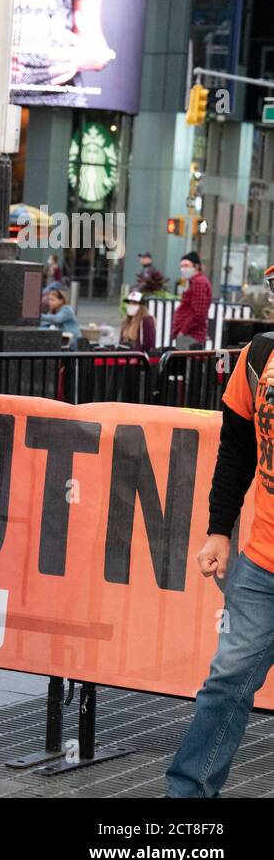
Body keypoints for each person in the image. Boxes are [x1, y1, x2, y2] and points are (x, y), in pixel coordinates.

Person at [166, 266, 274, 795]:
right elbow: (236, 450)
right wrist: (218, 531)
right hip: (262, 563)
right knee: (226, 685)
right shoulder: (260, 355)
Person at [173, 251, 212, 350]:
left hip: (191, 335)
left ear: (196, 266)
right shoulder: (192, 281)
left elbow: (198, 313)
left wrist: (183, 330)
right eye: (181, 266)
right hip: (188, 334)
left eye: (186, 265)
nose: (183, 269)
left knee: (187, 363)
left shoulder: (199, 282)